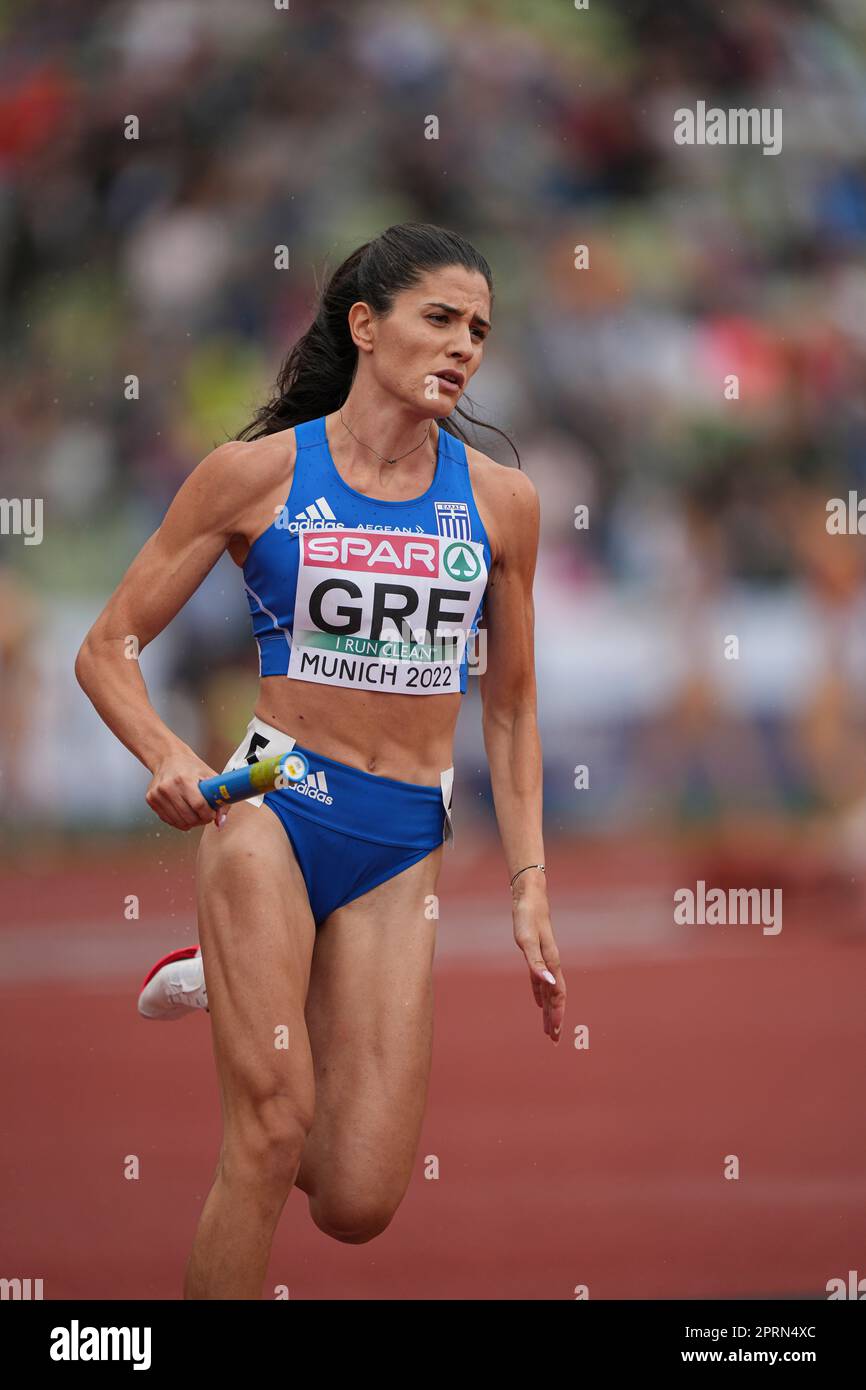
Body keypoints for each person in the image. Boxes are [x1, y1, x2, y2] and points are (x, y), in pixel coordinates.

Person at [75, 222, 565, 1300]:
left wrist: (528, 881)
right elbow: (105, 647)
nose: (462, 347)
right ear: (364, 325)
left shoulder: (499, 503)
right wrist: (163, 752)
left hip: (400, 841)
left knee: (355, 1196)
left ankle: (232, 979)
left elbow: (513, 707)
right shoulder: (252, 475)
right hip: (272, 803)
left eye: (478, 329)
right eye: (438, 318)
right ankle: (252, 963)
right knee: (268, 1128)